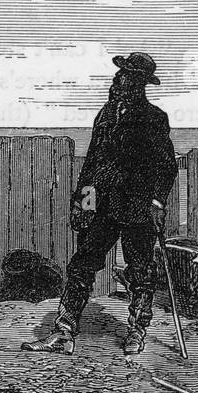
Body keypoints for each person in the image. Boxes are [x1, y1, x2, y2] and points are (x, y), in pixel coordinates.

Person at [22, 52, 178, 356]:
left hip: (137, 206)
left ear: (139, 83)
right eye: (118, 75)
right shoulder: (105, 115)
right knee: (82, 265)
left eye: (125, 76)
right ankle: (64, 332)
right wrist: (83, 202)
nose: (117, 80)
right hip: (103, 205)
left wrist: (157, 202)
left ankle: (137, 331)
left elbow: (166, 166)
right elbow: (92, 164)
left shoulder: (154, 118)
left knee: (141, 271)